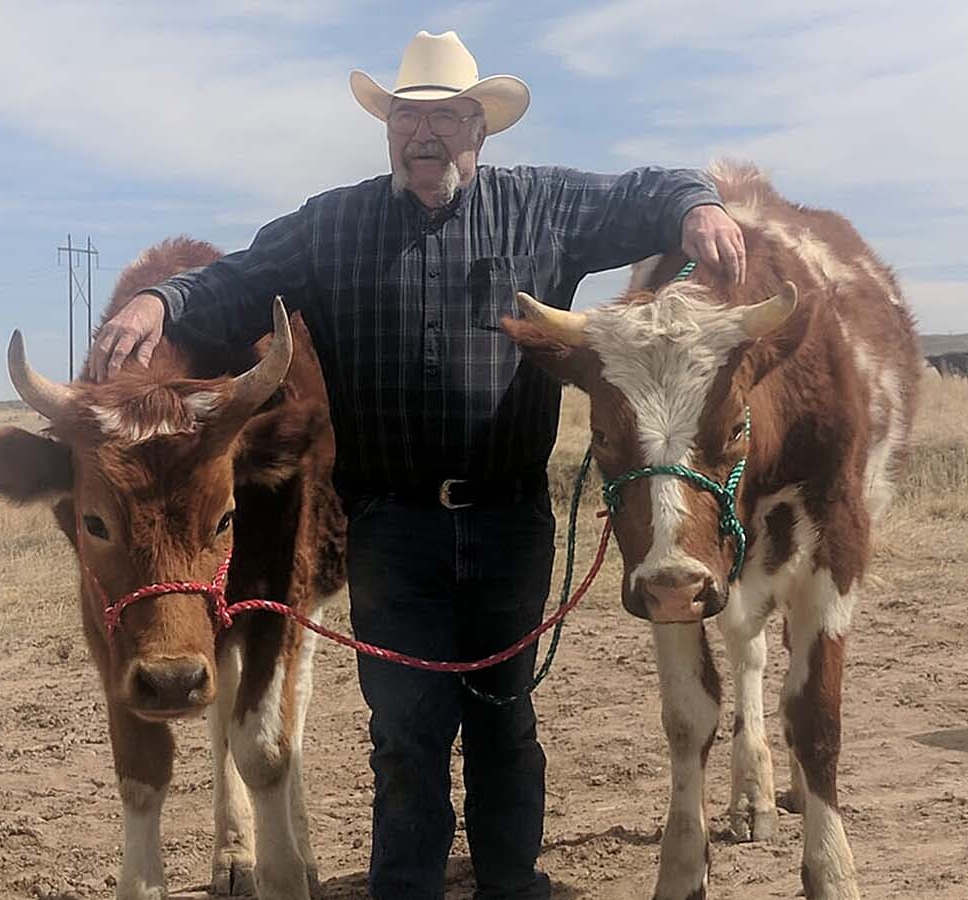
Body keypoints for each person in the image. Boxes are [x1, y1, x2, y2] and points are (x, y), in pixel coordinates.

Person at [87, 29, 744, 900]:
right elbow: (236, 280)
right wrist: (155, 301)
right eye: (406, 118)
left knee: (506, 723)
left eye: (446, 118)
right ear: (388, 129)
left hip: (509, 520)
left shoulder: (542, 207)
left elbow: (646, 190)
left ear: (481, 127)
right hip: (392, 526)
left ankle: (510, 887)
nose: (423, 135)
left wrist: (698, 206)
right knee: (404, 732)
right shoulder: (332, 227)